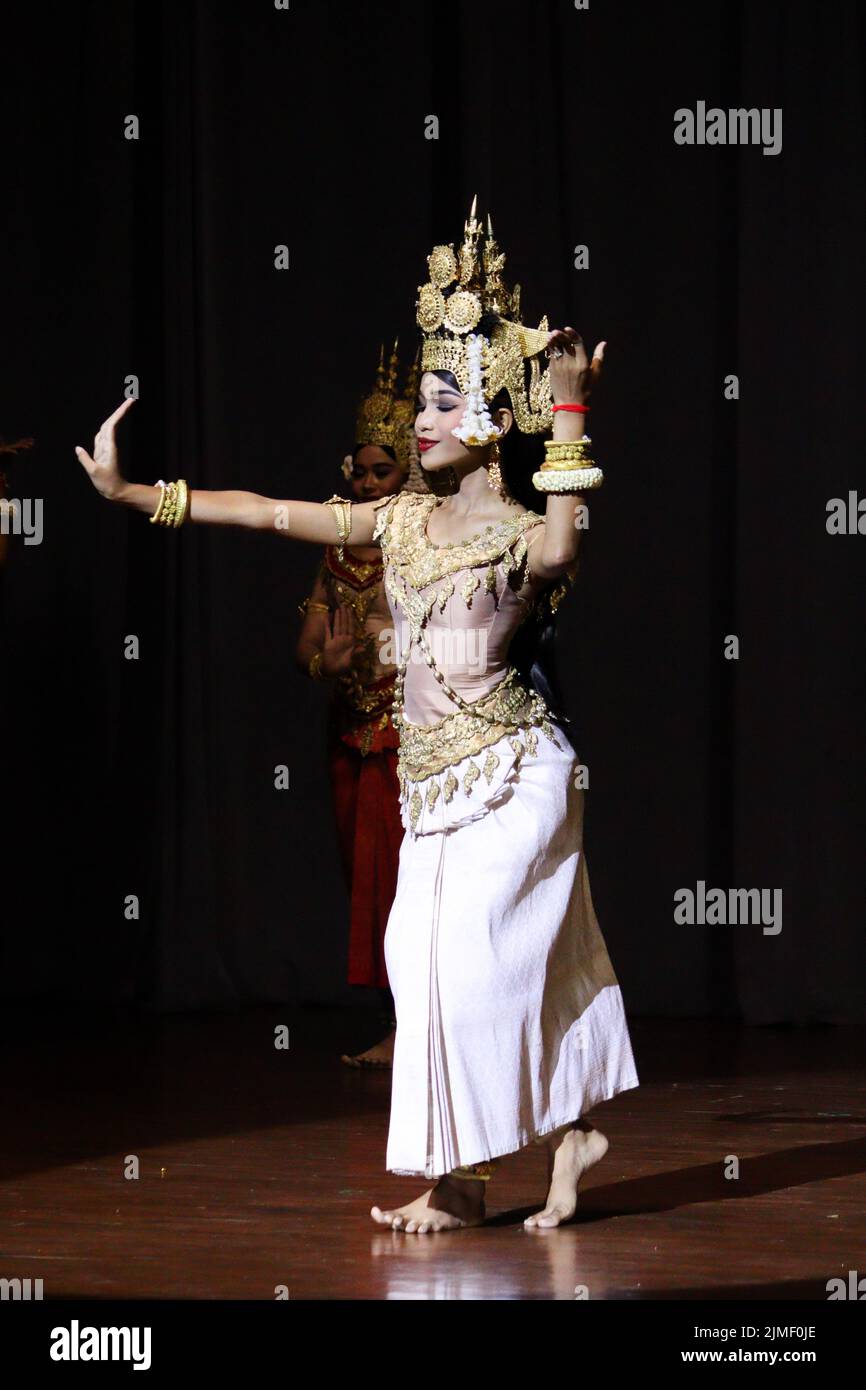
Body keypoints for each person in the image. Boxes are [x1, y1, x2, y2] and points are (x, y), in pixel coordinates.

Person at [75, 198, 638, 1233]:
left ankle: (511, 1151)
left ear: (491, 419)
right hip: (430, 780)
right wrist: (133, 495)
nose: (417, 421)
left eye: (438, 402)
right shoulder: (398, 519)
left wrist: (568, 410)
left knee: (470, 960)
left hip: (510, 773)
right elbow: (265, 510)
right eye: (419, 402)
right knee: (417, 968)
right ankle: (491, 1167)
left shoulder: (518, 531)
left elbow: (563, 549)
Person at [295, 344, 431, 1068]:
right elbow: (308, 643)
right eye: (360, 469)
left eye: (383, 470)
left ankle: (422, 1031)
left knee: (412, 888)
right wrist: (330, 660)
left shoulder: (425, 543)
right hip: (349, 736)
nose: (368, 481)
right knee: (367, 885)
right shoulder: (336, 549)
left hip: (411, 744)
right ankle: (396, 1024)